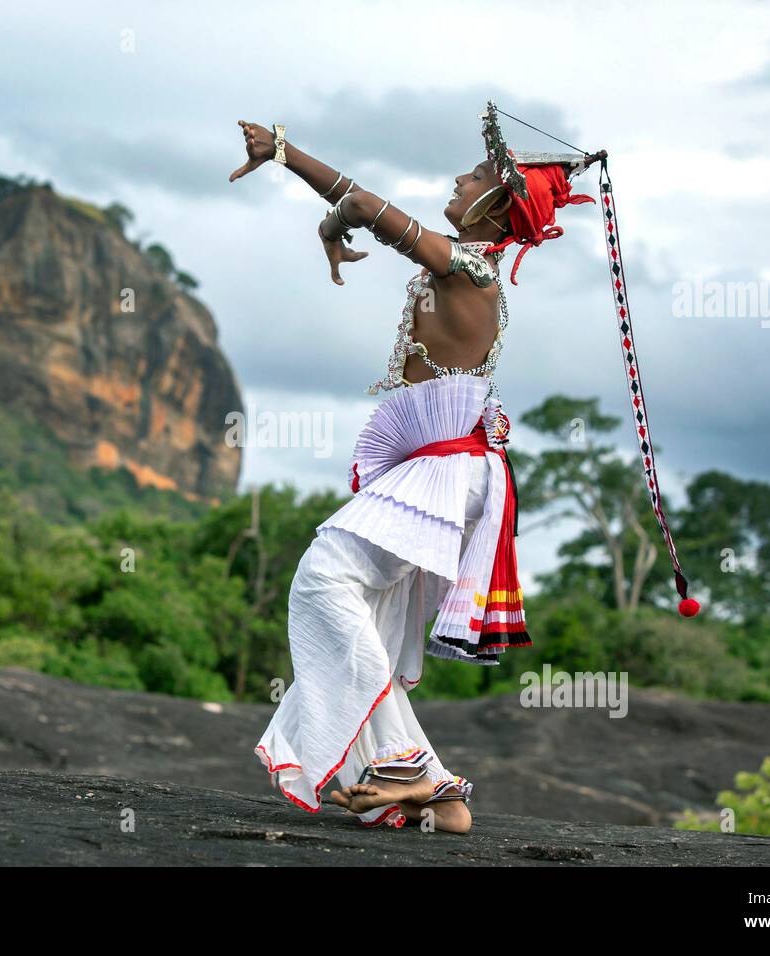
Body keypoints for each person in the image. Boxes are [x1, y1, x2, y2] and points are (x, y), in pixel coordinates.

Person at [230, 105, 598, 833]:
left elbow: (366, 204)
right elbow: (357, 215)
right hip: (442, 469)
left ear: (499, 205)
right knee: (353, 602)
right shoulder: (463, 267)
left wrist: (284, 151)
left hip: (443, 474)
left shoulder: (467, 265)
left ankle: (404, 765)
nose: (461, 178)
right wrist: (335, 230)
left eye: (478, 176)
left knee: (326, 579)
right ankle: (435, 794)